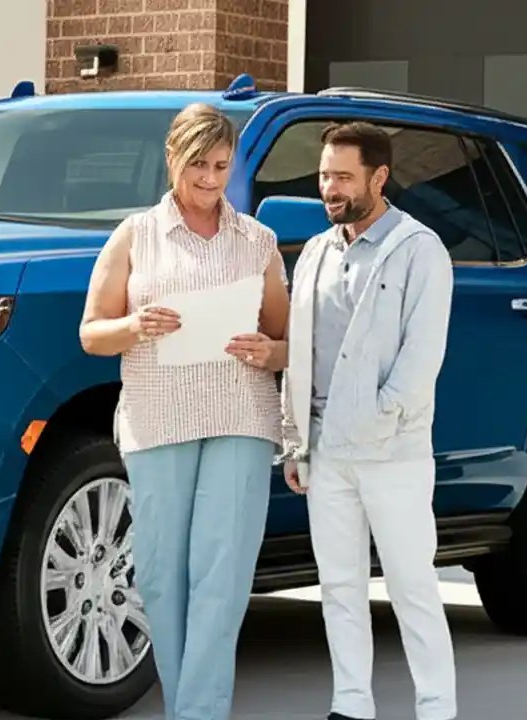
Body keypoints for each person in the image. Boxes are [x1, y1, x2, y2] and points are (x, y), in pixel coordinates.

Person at [79, 102, 290, 720]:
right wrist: (136, 325)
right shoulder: (134, 236)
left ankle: (197, 714)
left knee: (220, 581)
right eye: (198, 164)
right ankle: (188, 708)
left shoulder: (258, 242)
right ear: (173, 158)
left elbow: (286, 340)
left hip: (240, 418)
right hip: (156, 418)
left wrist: (268, 349)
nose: (209, 178)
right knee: (162, 578)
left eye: (221, 165)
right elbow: (92, 333)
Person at [279, 121, 457, 720]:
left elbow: (420, 360)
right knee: (340, 589)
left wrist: (377, 422)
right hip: (325, 454)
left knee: (412, 588)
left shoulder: (420, 250)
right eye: (325, 174)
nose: (329, 187)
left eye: (343, 177)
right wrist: (295, 443)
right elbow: (300, 354)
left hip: (393, 455)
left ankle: (436, 707)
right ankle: (351, 704)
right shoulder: (314, 255)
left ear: (379, 178)